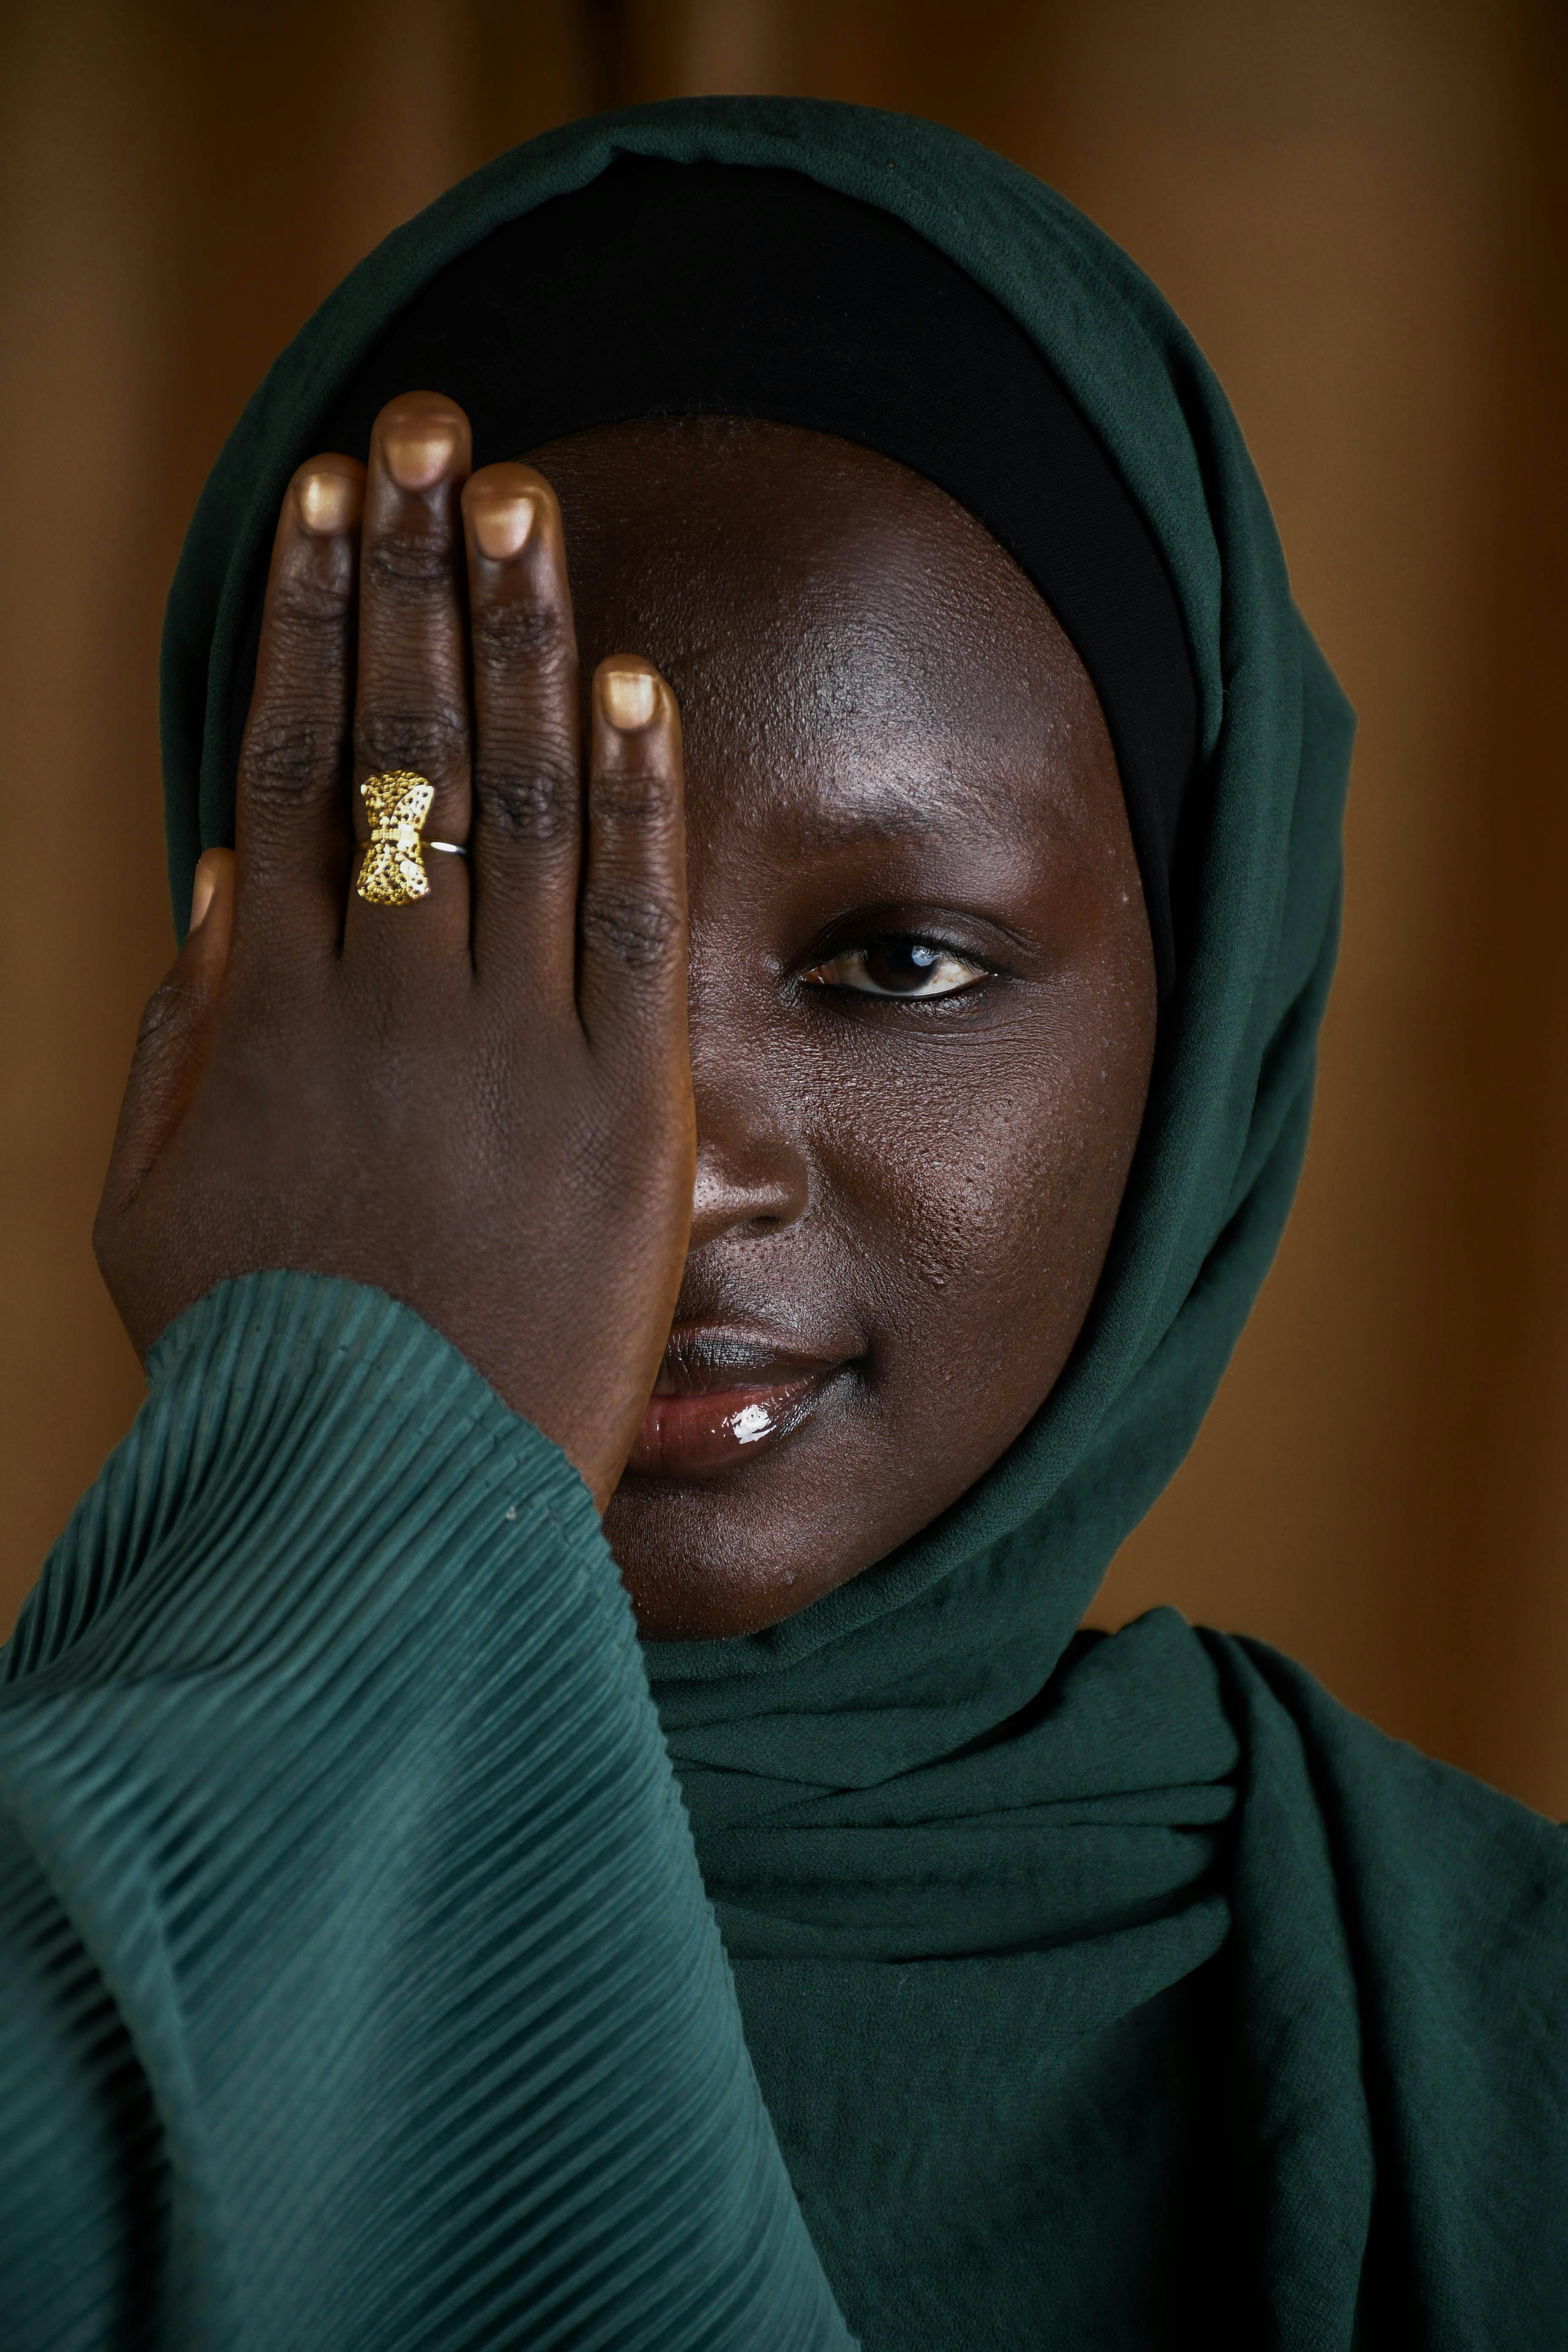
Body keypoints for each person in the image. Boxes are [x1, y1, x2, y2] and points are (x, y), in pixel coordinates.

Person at [2, 97, 1563, 2351]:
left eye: (896, 963)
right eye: (466, 939)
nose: (672, 1170)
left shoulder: (1510, 2052)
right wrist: (342, 1484)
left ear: (1208, 1016)